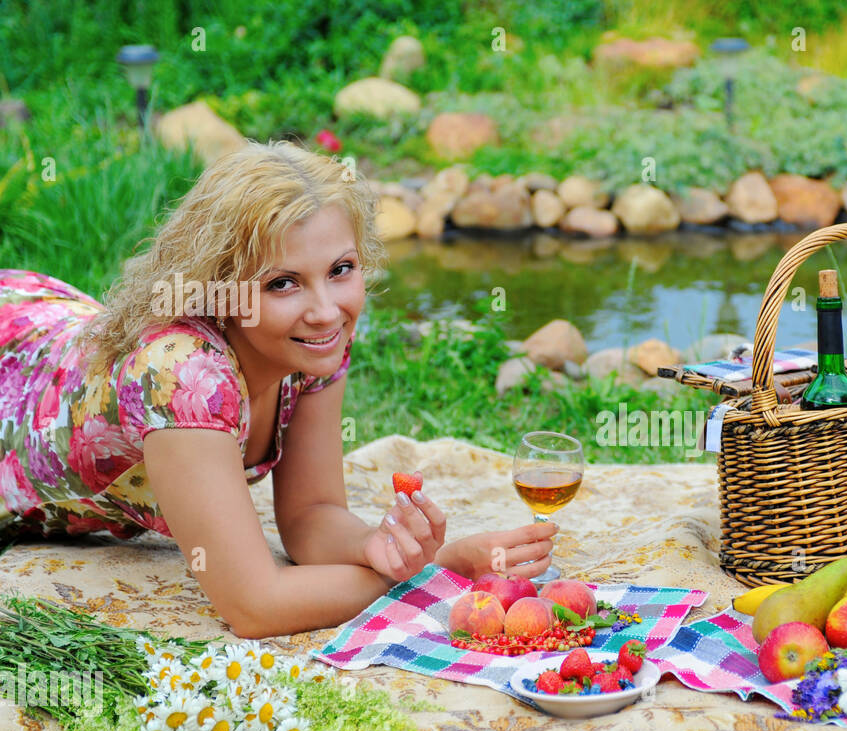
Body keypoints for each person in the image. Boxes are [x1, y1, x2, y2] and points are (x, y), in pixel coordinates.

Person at [0, 141, 555, 638]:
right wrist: (443, 572)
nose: (325, 310)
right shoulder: (182, 376)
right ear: (218, 289)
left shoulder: (313, 342)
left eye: (341, 268)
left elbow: (310, 514)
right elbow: (255, 605)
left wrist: (376, 548)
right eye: (282, 283)